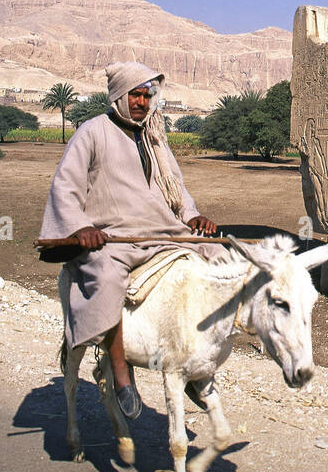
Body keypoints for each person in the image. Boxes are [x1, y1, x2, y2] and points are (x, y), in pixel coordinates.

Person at [40, 61, 223, 418]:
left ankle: (195, 368)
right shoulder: (92, 132)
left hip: (159, 229)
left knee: (216, 253)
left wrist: (191, 216)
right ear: (118, 97)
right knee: (107, 278)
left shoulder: (154, 136)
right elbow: (66, 186)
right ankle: (121, 373)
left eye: (147, 95)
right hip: (111, 236)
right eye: (135, 95)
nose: (142, 102)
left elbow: (175, 187)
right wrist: (80, 228)